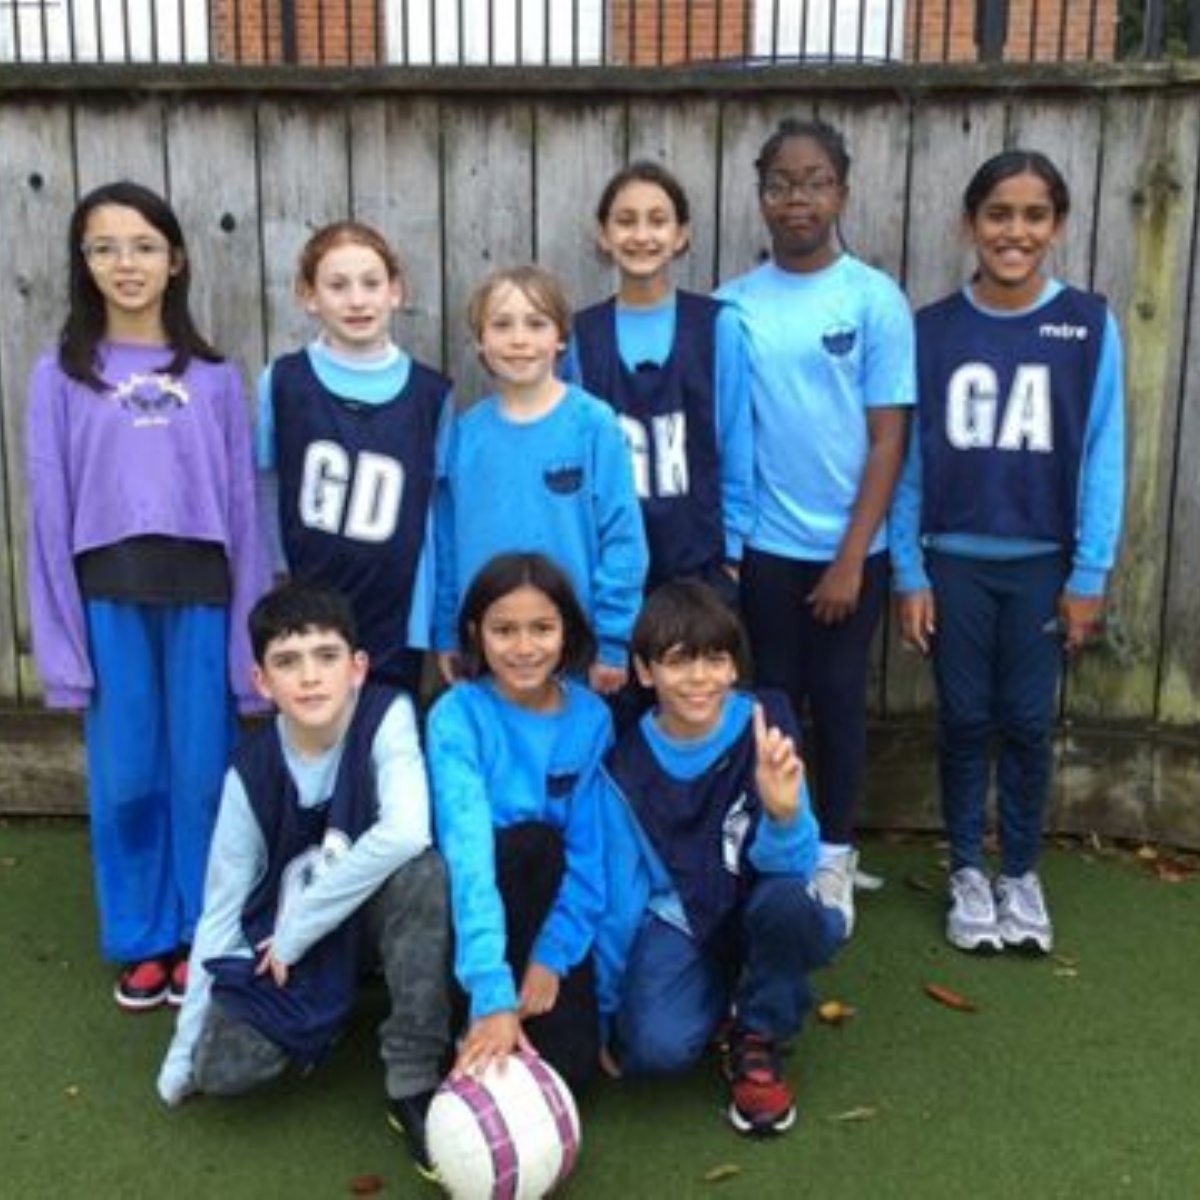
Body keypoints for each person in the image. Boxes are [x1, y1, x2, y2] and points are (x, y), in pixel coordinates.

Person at [24, 180, 267, 1011]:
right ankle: (142, 937)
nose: (125, 263)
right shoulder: (60, 377)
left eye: (143, 246)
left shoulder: (216, 377)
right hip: (110, 600)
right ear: (83, 263)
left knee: (202, 774)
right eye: (104, 247)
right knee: (128, 777)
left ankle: (206, 927)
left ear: (176, 260)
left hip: (200, 595)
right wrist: (62, 650)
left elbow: (242, 509)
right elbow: (48, 512)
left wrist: (248, 652)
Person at [889, 149, 1125, 955]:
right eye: (998, 214)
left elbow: (1102, 454)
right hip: (954, 560)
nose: (1013, 231)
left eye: (1033, 216)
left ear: (1056, 227)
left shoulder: (1088, 326)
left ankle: (1019, 870)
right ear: (970, 223)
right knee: (963, 721)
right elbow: (909, 460)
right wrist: (909, 568)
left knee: (1026, 723)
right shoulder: (932, 330)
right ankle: (966, 871)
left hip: (1042, 565)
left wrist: (1089, 571)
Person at [156, 582, 451, 1180]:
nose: (310, 677)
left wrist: (296, 928)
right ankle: (329, 1013)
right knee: (224, 1070)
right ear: (263, 682)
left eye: (326, 656)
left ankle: (414, 1076)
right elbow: (222, 909)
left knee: (423, 875)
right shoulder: (251, 770)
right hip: (295, 950)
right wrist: (182, 1055)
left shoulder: (387, 716)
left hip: (358, 924)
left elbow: (405, 832)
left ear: (358, 668)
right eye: (288, 662)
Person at [717, 118, 915, 928]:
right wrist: (734, 549)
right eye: (780, 183)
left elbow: (887, 437)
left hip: (849, 551)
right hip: (764, 548)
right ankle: (782, 844)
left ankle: (835, 853)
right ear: (761, 196)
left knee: (837, 699)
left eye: (815, 181)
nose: (797, 198)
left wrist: (849, 558)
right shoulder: (732, 306)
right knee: (773, 701)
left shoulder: (873, 299)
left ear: (842, 191)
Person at [594, 580, 846, 1136]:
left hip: (763, 901)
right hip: (681, 916)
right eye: (678, 661)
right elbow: (620, 897)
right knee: (654, 1050)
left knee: (788, 908)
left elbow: (793, 865)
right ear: (644, 672)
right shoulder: (625, 766)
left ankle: (759, 1034)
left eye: (715, 658)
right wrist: (608, 1014)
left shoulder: (766, 724)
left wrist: (783, 814)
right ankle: (725, 995)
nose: (699, 677)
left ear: (734, 667)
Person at [428, 552, 611, 1092]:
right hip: (475, 911)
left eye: (542, 628)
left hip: (551, 911)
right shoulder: (456, 715)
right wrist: (492, 991)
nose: (525, 647)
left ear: (567, 631)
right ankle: (461, 1010)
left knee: (571, 1074)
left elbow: (589, 851)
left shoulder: (590, 718)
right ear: (475, 633)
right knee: (523, 842)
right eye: (504, 629)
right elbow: (468, 856)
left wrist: (551, 958)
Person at [434, 265, 648, 697]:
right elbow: (445, 544)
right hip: (490, 644)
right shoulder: (461, 436)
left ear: (561, 339)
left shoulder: (593, 424)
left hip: (574, 646)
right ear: (480, 340)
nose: (519, 339)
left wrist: (612, 640)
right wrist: (447, 631)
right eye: (502, 325)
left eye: (536, 324)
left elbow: (622, 536)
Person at [257, 220, 451, 697]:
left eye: (371, 283)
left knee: (386, 735)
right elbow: (264, 487)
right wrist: (275, 580)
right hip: (307, 604)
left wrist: (434, 617)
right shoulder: (284, 381)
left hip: (394, 614)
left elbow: (437, 512)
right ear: (309, 295)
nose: (357, 300)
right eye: (337, 286)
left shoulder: (431, 393)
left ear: (396, 292)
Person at [564, 160, 753, 603]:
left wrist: (732, 554)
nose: (642, 235)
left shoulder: (717, 326)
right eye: (625, 221)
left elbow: (736, 440)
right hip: (608, 562)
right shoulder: (579, 336)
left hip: (699, 561)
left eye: (658, 220)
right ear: (604, 234)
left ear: (681, 234)